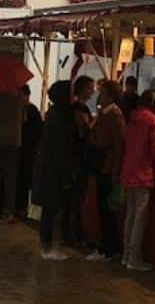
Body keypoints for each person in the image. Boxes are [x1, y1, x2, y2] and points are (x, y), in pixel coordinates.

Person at [35, 80, 81, 261]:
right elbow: (62, 146)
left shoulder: (57, 114)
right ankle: (46, 247)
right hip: (54, 169)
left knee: (51, 208)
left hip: (52, 168)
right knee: (51, 208)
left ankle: (47, 245)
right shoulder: (60, 117)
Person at [121, 89, 155, 272]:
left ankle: (126, 255)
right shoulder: (152, 120)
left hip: (128, 170)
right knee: (139, 217)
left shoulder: (132, 117)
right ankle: (134, 258)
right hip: (142, 172)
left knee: (130, 215)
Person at [87, 80, 126, 262]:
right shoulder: (105, 113)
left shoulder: (114, 116)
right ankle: (108, 246)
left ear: (110, 95)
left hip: (108, 167)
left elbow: (117, 145)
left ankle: (109, 249)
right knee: (103, 208)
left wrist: (116, 171)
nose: (98, 95)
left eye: (102, 92)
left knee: (107, 209)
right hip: (103, 166)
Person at [0, 88, 24, 223]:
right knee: (11, 179)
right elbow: (24, 119)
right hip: (14, 141)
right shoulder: (20, 97)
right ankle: (9, 213)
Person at [63, 75, 94, 246]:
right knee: (75, 198)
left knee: (74, 198)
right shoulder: (79, 110)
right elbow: (83, 133)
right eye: (90, 88)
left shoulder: (79, 109)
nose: (92, 91)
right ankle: (74, 234)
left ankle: (71, 232)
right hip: (78, 159)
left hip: (76, 159)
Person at [16, 84, 43, 217]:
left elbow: (37, 132)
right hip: (17, 148)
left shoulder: (32, 110)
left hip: (28, 150)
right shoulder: (16, 110)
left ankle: (22, 207)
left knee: (25, 178)